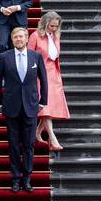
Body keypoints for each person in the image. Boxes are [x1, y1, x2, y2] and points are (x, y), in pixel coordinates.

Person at [0, 24, 47, 192]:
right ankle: (16, 178)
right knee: (14, 144)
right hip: (11, 107)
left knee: (29, 144)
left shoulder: (35, 56)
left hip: (31, 107)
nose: (18, 39)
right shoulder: (4, 57)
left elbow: (43, 80)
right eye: (15, 37)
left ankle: (27, 177)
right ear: (12, 39)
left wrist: (43, 101)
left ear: (26, 38)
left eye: (21, 36)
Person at [29, 10, 69, 151]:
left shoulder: (56, 36)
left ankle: (37, 131)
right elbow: (29, 55)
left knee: (49, 108)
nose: (54, 28)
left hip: (54, 75)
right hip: (40, 74)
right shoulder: (35, 36)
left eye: (56, 26)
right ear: (45, 23)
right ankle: (52, 138)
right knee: (45, 107)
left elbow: (55, 55)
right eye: (51, 26)